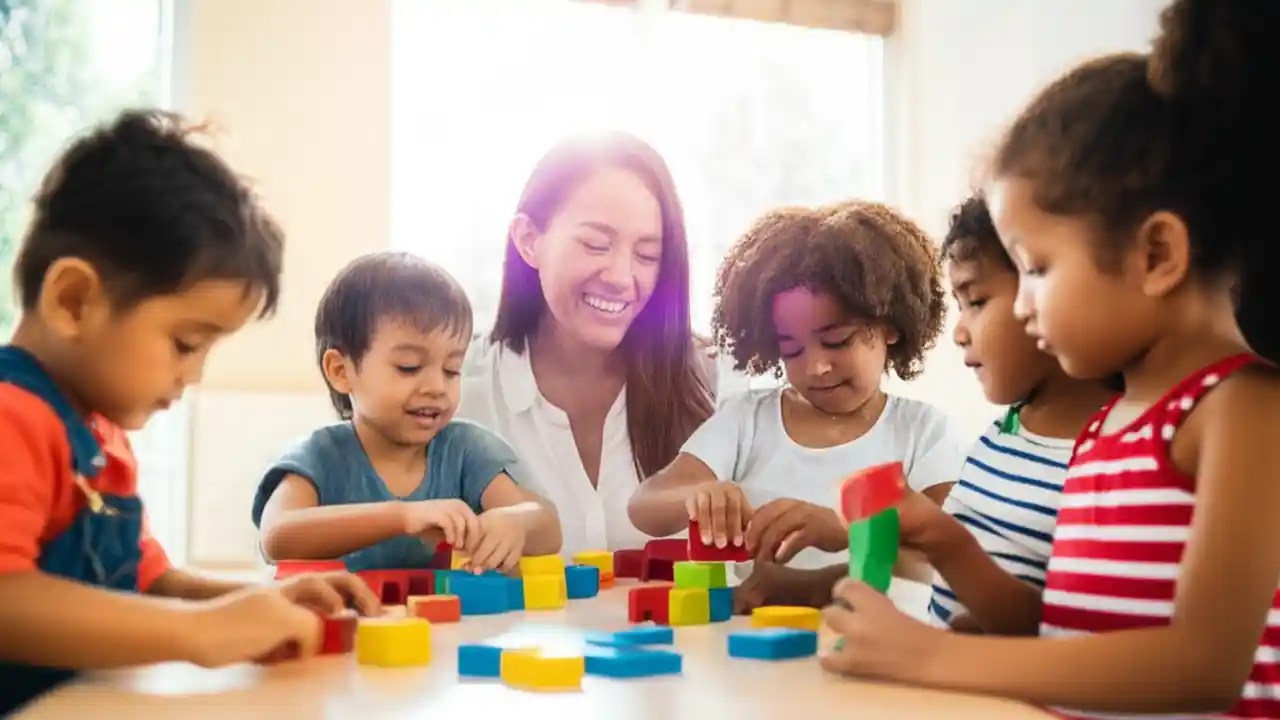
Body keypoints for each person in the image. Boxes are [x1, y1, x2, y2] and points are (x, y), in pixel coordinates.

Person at [819, 1, 1280, 716]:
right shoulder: (1110, 425)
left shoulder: (1242, 410)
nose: (1025, 306)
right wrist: (951, 547)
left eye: (1035, 268)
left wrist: (936, 654)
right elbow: (1074, 637)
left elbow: (1202, 664)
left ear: (1156, 254)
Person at [0, 111, 379, 715]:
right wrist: (201, 634)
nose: (194, 375)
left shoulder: (100, 435)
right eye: (185, 343)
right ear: (73, 301)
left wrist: (257, 601)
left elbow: (150, 583)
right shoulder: (12, 416)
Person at [629, 200, 967, 571]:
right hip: (752, 625)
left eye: (838, 341)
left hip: (871, 626)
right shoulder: (747, 420)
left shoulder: (923, 432)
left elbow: (952, 543)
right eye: (791, 350)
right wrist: (700, 495)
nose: (816, 367)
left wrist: (844, 528)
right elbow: (645, 505)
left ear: (891, 325)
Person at [456, 132, 715, 557]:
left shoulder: (712, 383)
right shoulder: (461, 392)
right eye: (596, 245)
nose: (620, 276)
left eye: (647, 255)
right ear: (529, 240)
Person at [253, 252, 561, 573]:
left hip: (456, 624)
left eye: (452, 369)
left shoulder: (465, 451)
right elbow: (275, 537)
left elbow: (549, 529)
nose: (437, 387)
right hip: (349, 622)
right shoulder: (320, 457)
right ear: (341, 371)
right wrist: (404, 517)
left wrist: (516, 522)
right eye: (409, 367)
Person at [926, 195, 1114, 630]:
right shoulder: (1002, 434)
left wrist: (942, 542)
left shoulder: (1110, 457)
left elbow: (1069, 634)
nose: (958, 331)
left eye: (975, 301)